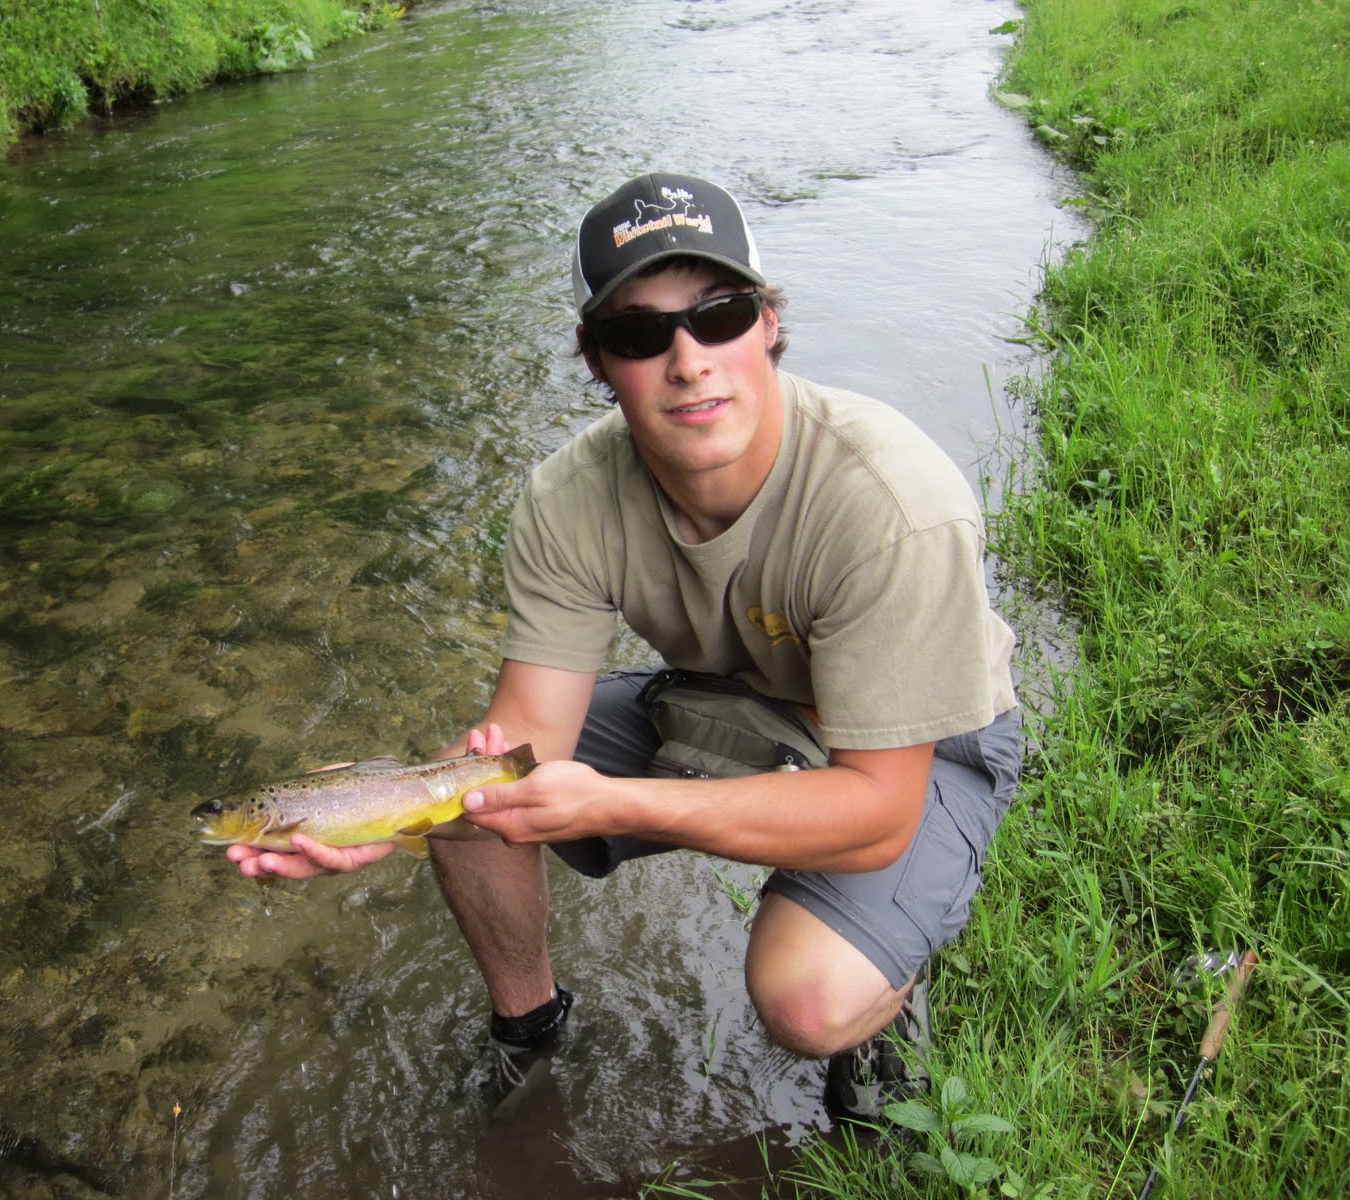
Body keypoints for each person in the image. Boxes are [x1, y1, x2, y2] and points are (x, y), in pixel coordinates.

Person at [228, 172, 1022, 1120]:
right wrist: (388, 819)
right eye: (641, 334)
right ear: (599, 361)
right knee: (468, 778)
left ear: (768, 322)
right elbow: (523, 745)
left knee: (809, 999)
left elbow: (876, 810)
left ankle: (882, 998)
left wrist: (613, 802)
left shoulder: (892, 505)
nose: (688, 360)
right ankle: (530, 1027)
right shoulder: (568, 499)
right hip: (732, 701)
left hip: (917, 746)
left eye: (718, 315)